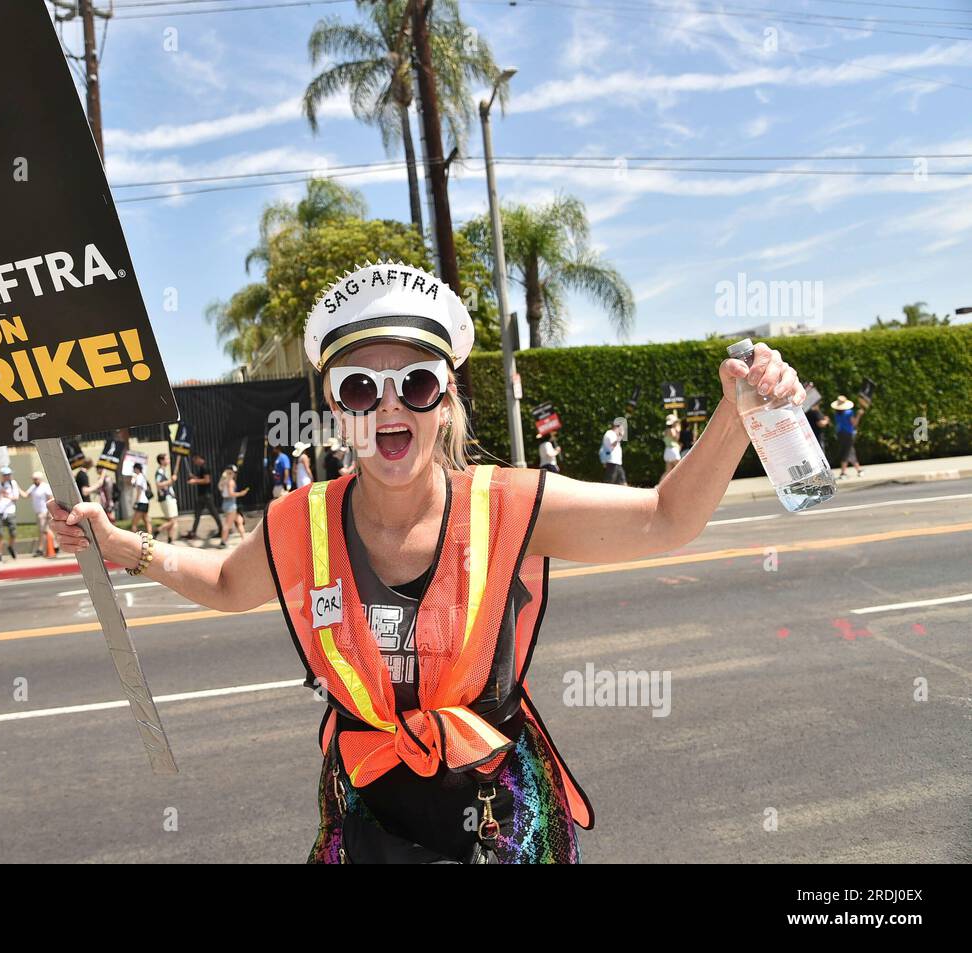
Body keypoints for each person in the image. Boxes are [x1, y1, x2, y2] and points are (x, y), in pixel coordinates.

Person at [50, 259, 806, 864]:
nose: (390, 407)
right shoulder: (300, 522)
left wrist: (735, 418)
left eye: (415, 382)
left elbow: (664, 519)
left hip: (499, 817)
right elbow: (223, 582)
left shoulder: (512, 503)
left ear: (444, 400)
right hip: (368, 812)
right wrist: (121, 545)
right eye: (360, 387)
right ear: (336, 408)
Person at [182, 452, 223, 541]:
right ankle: (193, 533)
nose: (194, 462)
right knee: (197, 514)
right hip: (202, 495)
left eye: (194, 460)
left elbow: (207, 480)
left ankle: (222, 530)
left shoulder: (205, 468)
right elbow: (202, 478)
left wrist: (194, 481)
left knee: (214, 513)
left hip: (206, 496)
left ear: (199, 458)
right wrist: (194, 477)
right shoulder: (201, 468)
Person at [24, 470, 58, 557]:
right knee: (44, 531)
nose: (34, 481)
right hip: (39, 513)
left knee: (44, 531)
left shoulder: (45, 487)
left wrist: (49, 512)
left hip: (45, 512)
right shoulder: (33, 487)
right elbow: (25, 495)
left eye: (35, 479)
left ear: (40, 479)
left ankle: (43, 548)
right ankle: (54, 546)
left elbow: (50, 499)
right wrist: (15, 487)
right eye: (33, 479)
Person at [216, 464, 251, 549]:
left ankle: (244, 540)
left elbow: (221, 490)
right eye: (233, 472)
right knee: (228, 524)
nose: (234, 474)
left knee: (239, 520)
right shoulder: (230, 482)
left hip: (226, 504)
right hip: (231, 505)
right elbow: (231, 494)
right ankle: (223, 542)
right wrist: (241, 493)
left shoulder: (223, 481)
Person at [831, 395, 865, 478]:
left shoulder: (836, 413)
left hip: (840, 433)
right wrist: (859, 415)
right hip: (848, 434)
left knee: (850, 451)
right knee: (847, 452)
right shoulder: (849, 412)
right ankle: (843, 472)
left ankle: (858, 469)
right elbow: (854, 423)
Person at [0, 465, 20, 560]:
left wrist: (7, 496)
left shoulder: (13, 483)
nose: (9, 476)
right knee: (0, 534)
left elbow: (16, 497)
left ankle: (10, 546)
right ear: (3, 475)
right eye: (7, 474)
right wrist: (0, 494)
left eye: (9, 474)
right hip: (0, 511)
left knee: (13, 533)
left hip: (10, 511)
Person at [153, 453, 181, 544]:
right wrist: (171, 480)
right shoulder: (160, 471)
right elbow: (158, 484)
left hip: (169, 497)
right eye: (167, 459)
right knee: (173, 521)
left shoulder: (163, 471)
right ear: (161, 461)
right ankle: (157, 530)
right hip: (167, 498)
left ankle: (170, 540)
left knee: (172, 521)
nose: (169, 460)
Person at [804, 388, 830, 456]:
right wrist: (826, 421)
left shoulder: (807, 411)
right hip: (817, 436)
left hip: (810, 436)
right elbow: (820, 423)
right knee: (820, 454)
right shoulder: (815, 412)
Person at [129, 462, 153, 534]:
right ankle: (151, 537)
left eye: (134, 469)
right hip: (145, 502)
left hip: (141, 502)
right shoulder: (143, 476)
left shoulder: (139, 477)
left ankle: (133, 541)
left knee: (134, 523)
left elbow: (139, 491)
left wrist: (136, 502)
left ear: (136, 469)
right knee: (146, 521)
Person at [600, 420, 627, 484]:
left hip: (616, 462)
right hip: (611, 461)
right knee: (610, 481)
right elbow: (612, 446)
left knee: (622, 481)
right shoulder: (610, 433)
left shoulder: (614, 435)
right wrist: (620, 436)